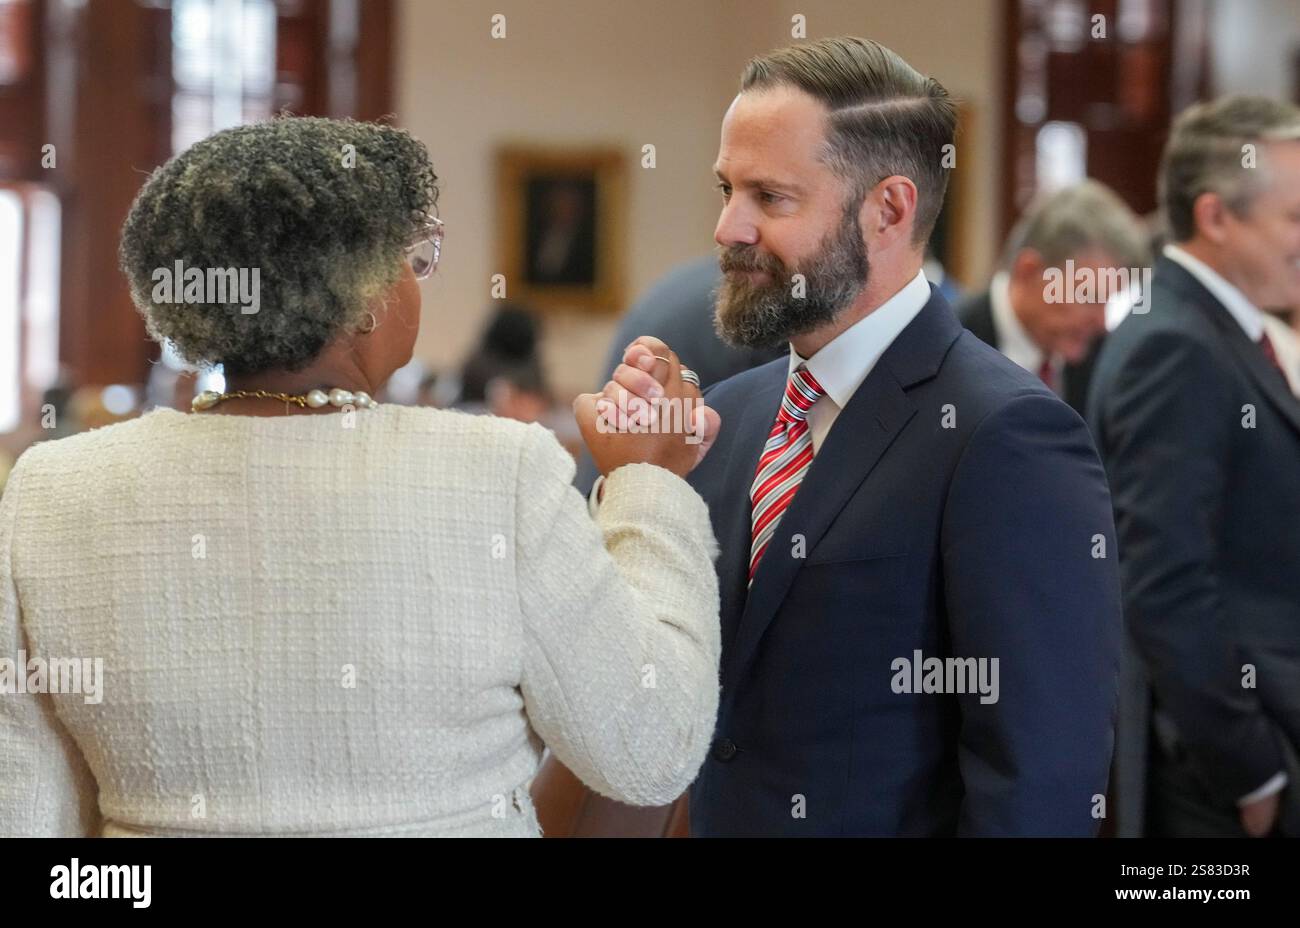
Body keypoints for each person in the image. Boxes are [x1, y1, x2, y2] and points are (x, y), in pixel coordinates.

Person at [0, 116, 723, 837]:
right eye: (417, 258)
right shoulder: (498, 473)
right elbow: (649, 746)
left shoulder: (52, 491)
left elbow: (28, 808)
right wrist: (647, 484)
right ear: (365, 292)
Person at [599, 37, 1121, 836]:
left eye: (770, 198)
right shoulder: (729, 415)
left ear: (888, 210)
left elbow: (1039, 777)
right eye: (726, 189)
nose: (728, 227)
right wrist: (631, 483)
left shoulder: (1007, 433)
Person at [1088, 96, 1300, 838]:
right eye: (1294, 219)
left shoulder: (1215, 330)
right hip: (1223, 777)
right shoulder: (1177, 346)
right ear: (1216, 218)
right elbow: (1166, 582)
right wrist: (1254, 769)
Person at [957, 180, 1149, 418]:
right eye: (1089, 297)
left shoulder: (1103, 361)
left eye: (1109, 301)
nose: (1102, 322)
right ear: (1028, 271)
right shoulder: (947, 344)